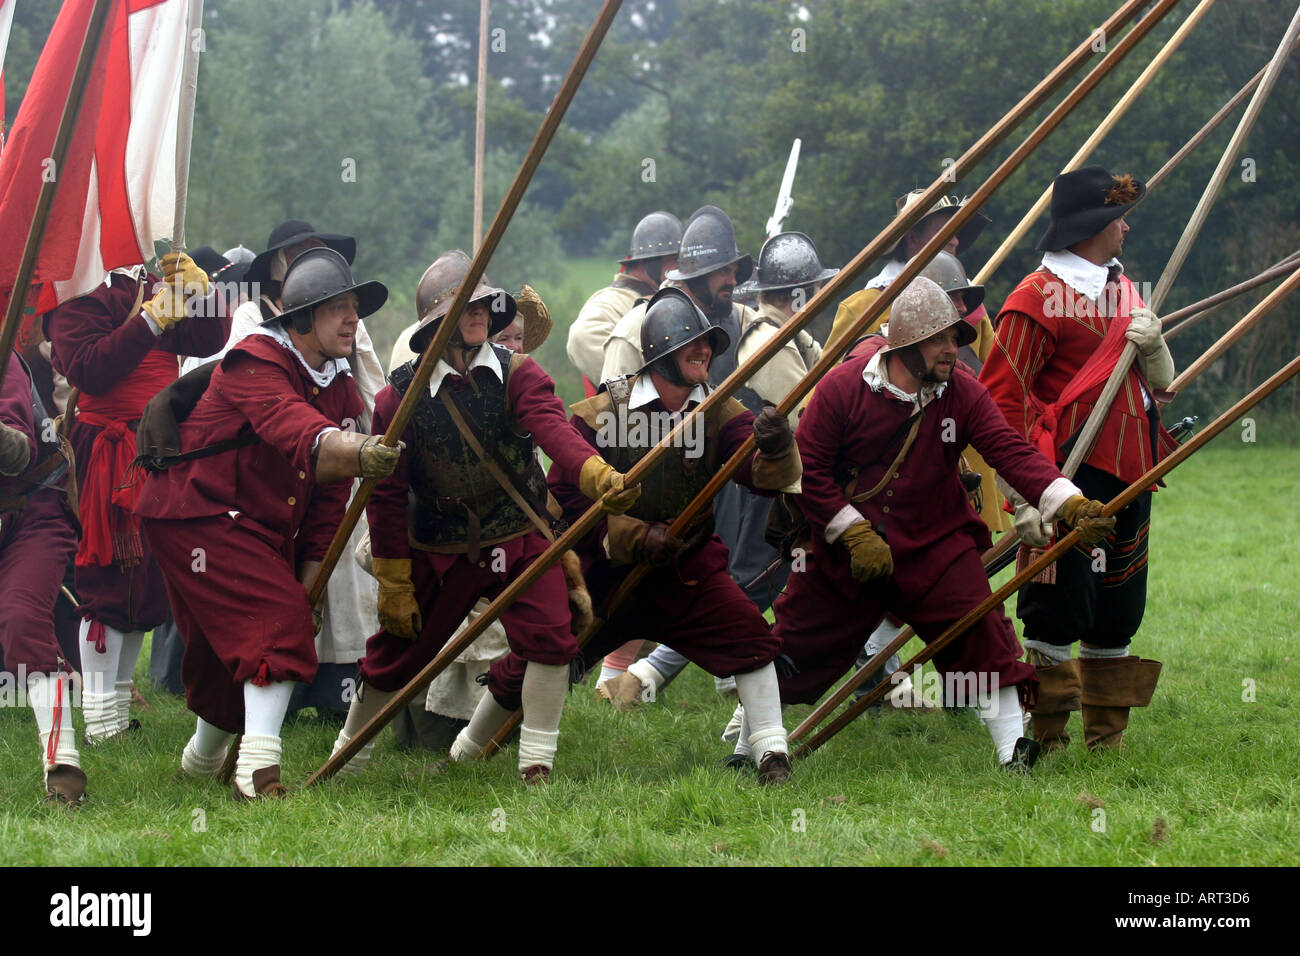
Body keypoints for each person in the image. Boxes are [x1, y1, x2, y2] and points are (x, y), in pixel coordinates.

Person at [769, 277, 1116, 771]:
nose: (952, 350)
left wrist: (1070, 503)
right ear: (907, 345)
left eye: (954, 339)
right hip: (847, 550)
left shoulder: (964, 395)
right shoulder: (841, 389)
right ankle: (756, 743)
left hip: (936, 546)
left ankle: (1012, 751)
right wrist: (851, 532)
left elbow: (1009, 451)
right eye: (939, 340)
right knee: (796, 645)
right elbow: (811, 472)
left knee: (983, 634)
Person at [332, 251, 638, 784]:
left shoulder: (520, 374)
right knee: (395, 655)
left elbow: (554, 432)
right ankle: (345, 758)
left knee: (550, 637)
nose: (483, 314)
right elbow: (385, 498)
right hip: (438, 547)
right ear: (437, 323)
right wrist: (395, 581)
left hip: (519, 535)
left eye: (486, 305)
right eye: (469, 306)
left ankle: (535, 766)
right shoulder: (395, 400)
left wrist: (597, 476)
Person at [484, 287, 803, 782]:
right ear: (660, 354)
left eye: (708, 344)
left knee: (751, 639)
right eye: (691, 344)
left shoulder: (720, 411)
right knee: (537, 655)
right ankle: (467, 748)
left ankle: (771, 756)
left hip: (688, 573)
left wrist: (778, 447)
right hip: (606, 578)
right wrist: (632, 536)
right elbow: (566, 502)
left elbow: (762, 477)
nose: (705, 352)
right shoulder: (601, 414)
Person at [135, 248, 399, 799]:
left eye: (356, 308)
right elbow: (295, 429)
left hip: (249, 526)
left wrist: (310, 579)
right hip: (195, 515)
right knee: (276, 625)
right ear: (301, 319)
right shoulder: (255, 360)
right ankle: (258, 775)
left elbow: (328, 502)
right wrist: (355, 447)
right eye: (339, 308)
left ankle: (201, 762)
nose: (354, 319)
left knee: (219, 653)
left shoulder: (342, 388)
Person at [980, 165, 1175, 752]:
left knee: (1119, 603)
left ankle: (1107, 736)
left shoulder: (1124, 288)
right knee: (1057, 607)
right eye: (1119, 218)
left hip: (1133, 469)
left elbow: (1151, 385)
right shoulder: (1033, 299)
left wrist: (1158, 350)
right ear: (1093, 224)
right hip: (1064, 476)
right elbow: (1000, 405)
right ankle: (1049, 734)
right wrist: (1022, 496)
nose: (1126, 229)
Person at [43, 253, 229, 744]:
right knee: (111, 580)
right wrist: (152, 317)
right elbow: (89, 369)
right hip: (109, 446)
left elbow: (207, 339)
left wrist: (202, 293)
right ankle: (102, 719)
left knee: (143, 579)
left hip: (155, 443)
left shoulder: (148, 279)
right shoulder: (77, 288)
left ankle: (117, 711)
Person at [0, 353, 82, 802]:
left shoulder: (2, 358)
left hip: (30, 507)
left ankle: (62, 760)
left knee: (20, 616)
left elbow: (19, 454)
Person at [567, 211, 681, 395]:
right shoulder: (613, 300)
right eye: (673, 260)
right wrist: (644, 394)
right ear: (650, 263)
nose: (679, 268)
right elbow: (581, 337)